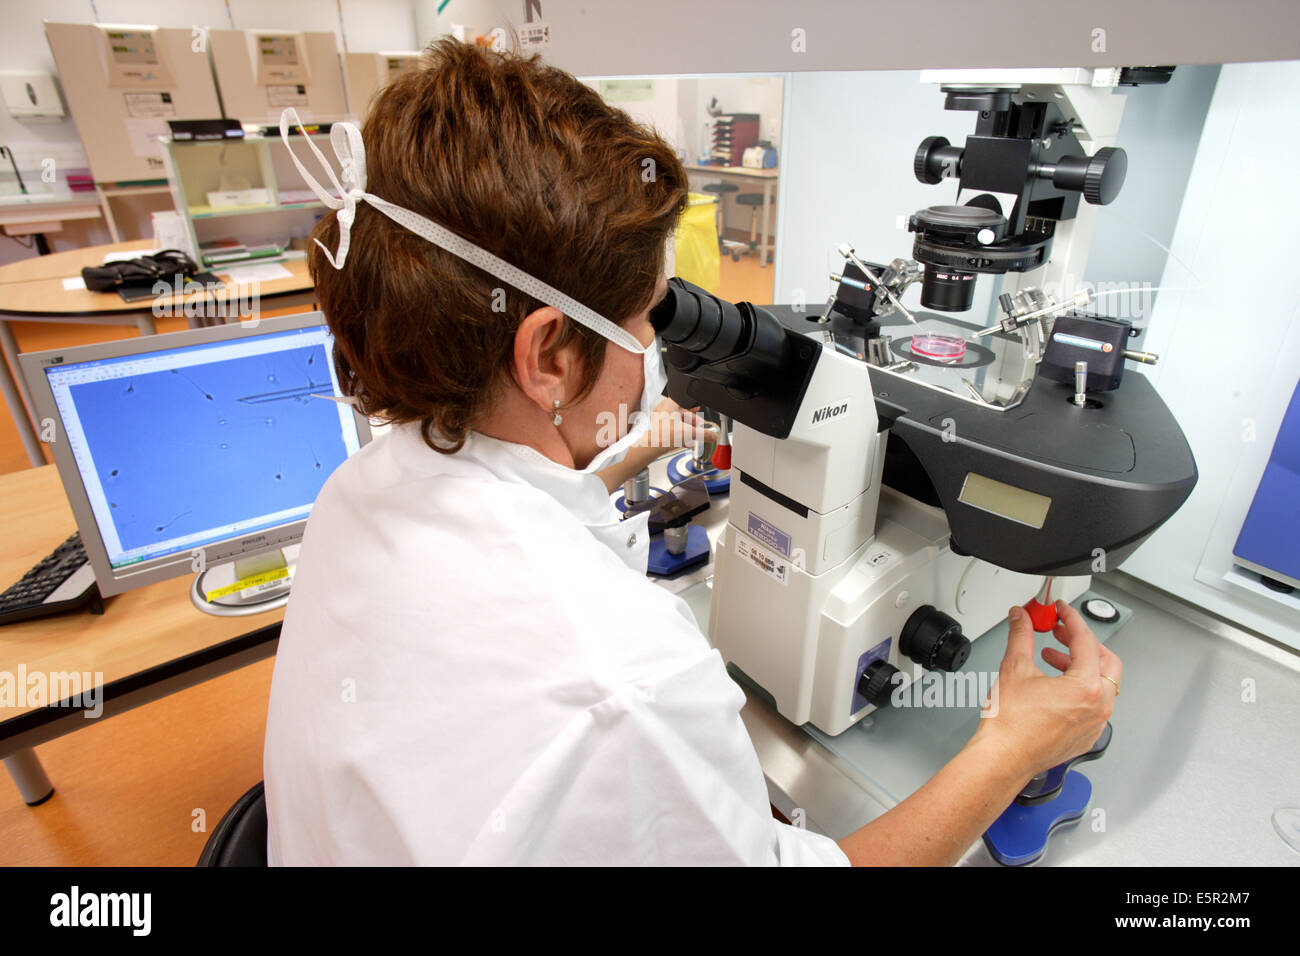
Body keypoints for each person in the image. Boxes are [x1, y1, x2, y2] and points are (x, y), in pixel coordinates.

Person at [262, 38, 1120, 866]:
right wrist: (1015, 745)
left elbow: (517, 521)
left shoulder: (358, 489)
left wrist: (622, 454)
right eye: (645, 315)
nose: (655, 343)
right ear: (550, 356)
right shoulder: (624, 685)